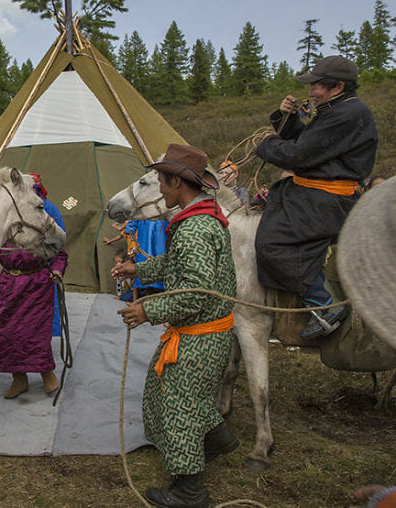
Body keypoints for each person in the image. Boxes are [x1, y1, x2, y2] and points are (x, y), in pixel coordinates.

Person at [112, 143, 237, 508]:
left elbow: (194, 293)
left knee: (176, 402)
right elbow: (180, 264)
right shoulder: (200, 218)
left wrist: (147, 310)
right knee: (173, 388)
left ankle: (189, 490)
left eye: (163, 183)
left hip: (201, 336)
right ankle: (218, 438)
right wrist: (141, 268)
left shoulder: (194, 229)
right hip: (212, 333)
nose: (162, 190)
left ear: (178, 183)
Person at [254, 55, 377, 340]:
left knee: (272, 242)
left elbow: (298, 155)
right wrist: (287, 119)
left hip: (329, 199)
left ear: (338, 86)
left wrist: (267, 144)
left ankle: (324, 303)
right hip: (316, 192)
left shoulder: (347, 114)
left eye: (317, 86)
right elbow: (307, 143)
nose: (310, 92)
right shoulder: (337, 108)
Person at [0, 174, 68, 399]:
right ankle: (19, 378)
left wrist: (58, 271)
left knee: (35, 333)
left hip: (36, 284)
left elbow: (60, 251)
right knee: (9, 333)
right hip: (9, 284)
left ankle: (46, 373)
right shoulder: (7, 217)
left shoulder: (45, 214)